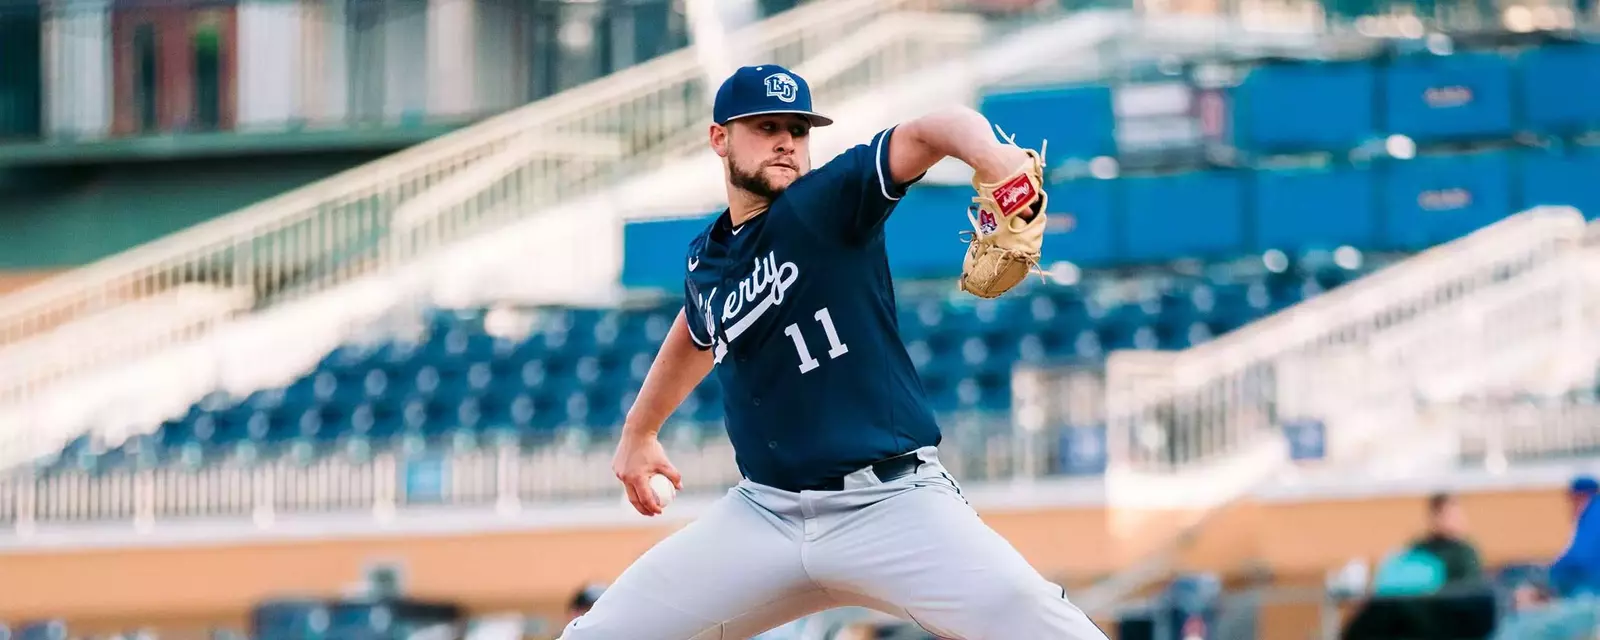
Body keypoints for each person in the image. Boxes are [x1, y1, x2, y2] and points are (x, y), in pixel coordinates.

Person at [558, 64, 1105, 639]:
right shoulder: (708, 259)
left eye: (798, 130)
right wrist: (639, 432)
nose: (786, 142)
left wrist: (995, 159)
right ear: (719, 138)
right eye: (766, 127)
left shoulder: (830, 201)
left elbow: (930, 130)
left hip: (892, 504)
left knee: (1043, 624)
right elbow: (695, 329)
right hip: (764, 515)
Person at [1491, 475, 1600, 640]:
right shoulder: (1590, 518)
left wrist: (1542, 587)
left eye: (1571, 500)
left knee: (1521, 628)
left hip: (1589, 603)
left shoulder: (1594, 514)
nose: (1569, 507)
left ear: (1580, 497)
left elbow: (1577, 563)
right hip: (1582, 599)